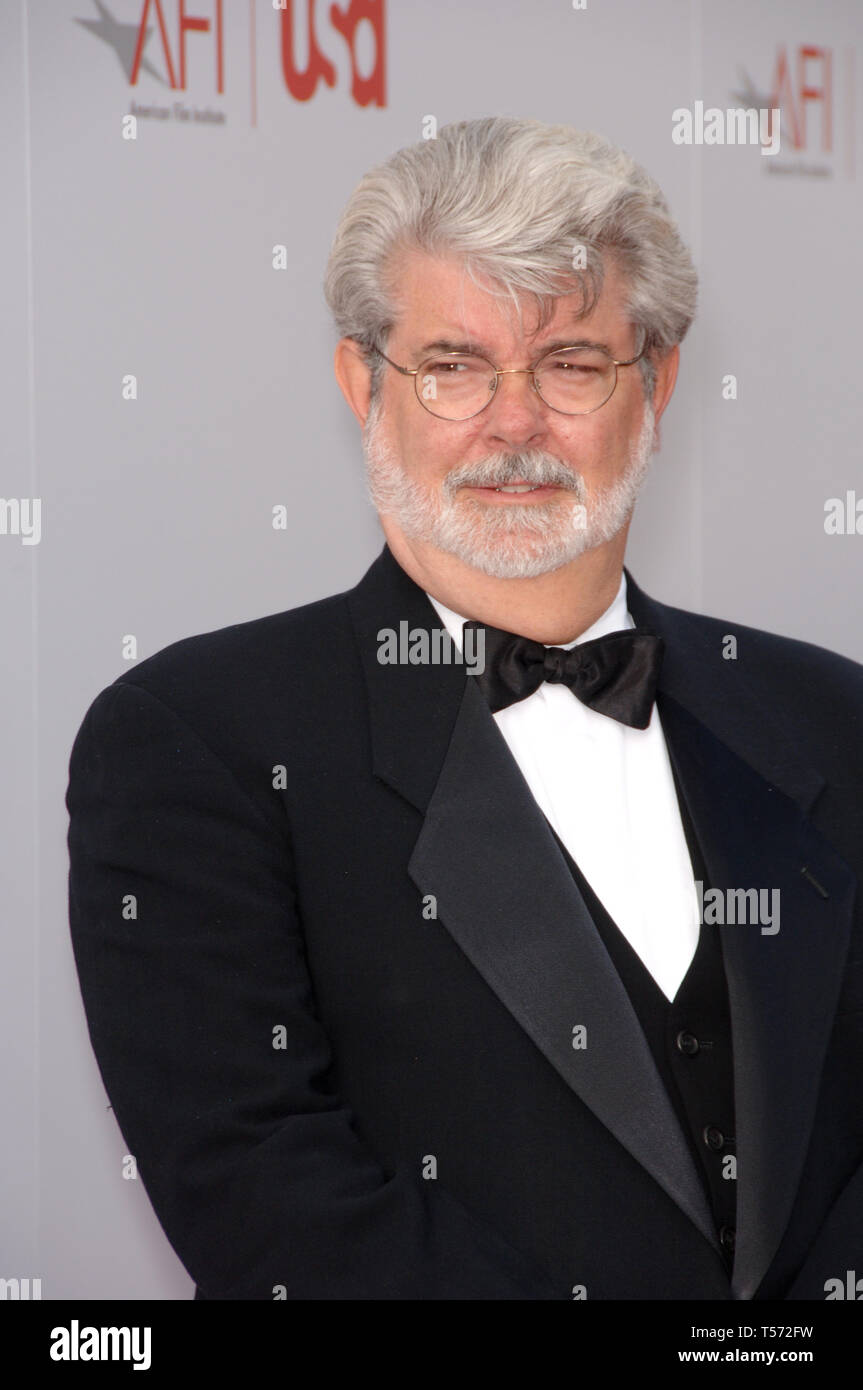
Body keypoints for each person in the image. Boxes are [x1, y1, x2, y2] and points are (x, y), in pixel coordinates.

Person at [67, 116, 863, 1301]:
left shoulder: (828, 716)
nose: (511, 423)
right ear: (361, 384)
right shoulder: (198, 741)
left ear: (653, 384)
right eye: (452, 364)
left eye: (569, 363)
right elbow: (269, 1204)